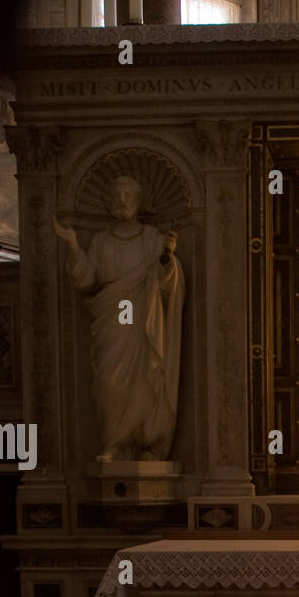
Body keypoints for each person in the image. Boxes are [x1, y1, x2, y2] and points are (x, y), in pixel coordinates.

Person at [53, 175, 184, 462]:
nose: (122, 200)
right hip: (111, 321)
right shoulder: (101, 242)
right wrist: (73, 244)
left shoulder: (153, 239)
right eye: (118, 194)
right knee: (108, 383)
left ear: (138, 202)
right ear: (110, 202)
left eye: (128, 195)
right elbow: (86, 280)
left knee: (148, 379)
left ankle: (147, 445)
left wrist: (166, 260)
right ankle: (114, 444)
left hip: (144, 322)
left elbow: (167, 283)